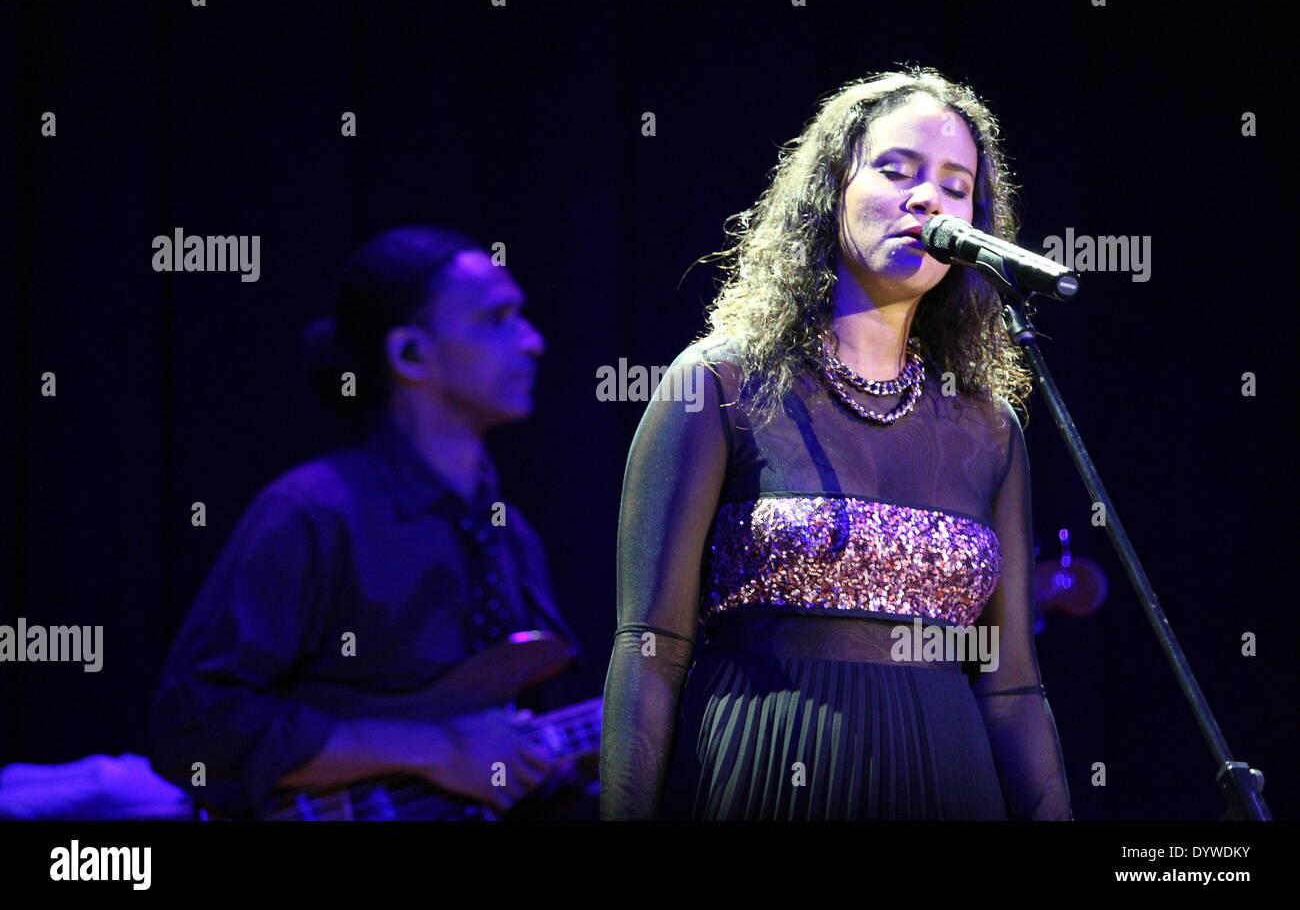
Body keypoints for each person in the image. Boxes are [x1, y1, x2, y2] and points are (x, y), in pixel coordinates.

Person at [600, 67, 1073, 820]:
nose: (929, 198)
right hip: (761, 771)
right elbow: (650, 650)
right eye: (897, 170)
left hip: (950, 781)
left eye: (957, 186)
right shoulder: (720, 383)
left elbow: (1011, 688)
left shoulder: (988, 428)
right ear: (832, 191)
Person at [148, 226, 594, 819]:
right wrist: (434, 749)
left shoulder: (510, 533)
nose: (533, 341)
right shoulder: (312, 510)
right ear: (410, 354)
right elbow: (196, 725)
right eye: (496, 318)